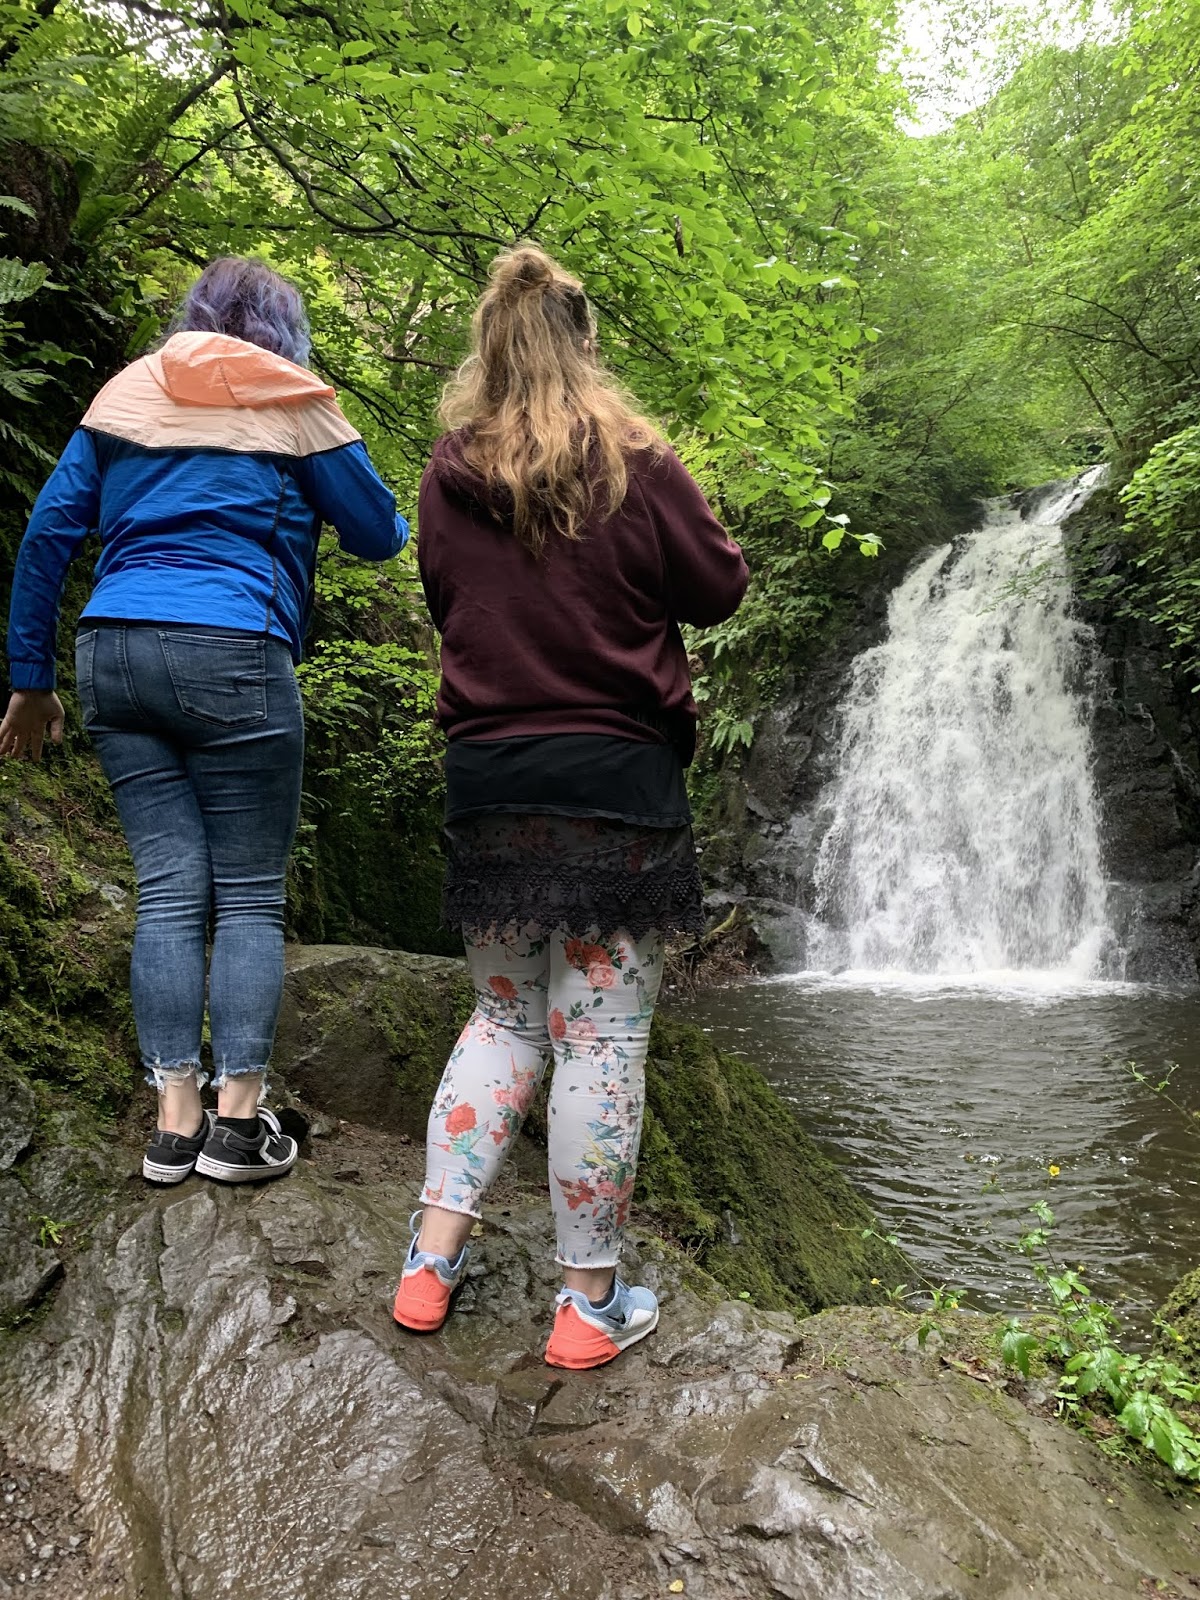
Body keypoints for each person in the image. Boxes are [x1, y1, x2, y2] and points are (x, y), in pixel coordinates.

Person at [394, 242, 748, 1368]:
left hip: (492, 783)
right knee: (598, 1034)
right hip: (616, 786)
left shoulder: (448, 472)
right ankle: (587, 1306)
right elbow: (720, 586)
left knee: (501, 1018)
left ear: (487, 351)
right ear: (586, 345)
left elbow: (447, 595)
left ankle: (428, 1261)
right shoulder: (636, 459)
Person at [1, 256, 407, 1186]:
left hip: (113, 653)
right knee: (251, 896)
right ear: (284, 333)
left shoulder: (126, 393)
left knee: (170, 888)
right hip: (234, 652)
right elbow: (381, 535)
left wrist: (32, 680)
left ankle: (171, 1122)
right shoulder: (292, 401)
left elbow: (50, 534)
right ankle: (237, 1127)